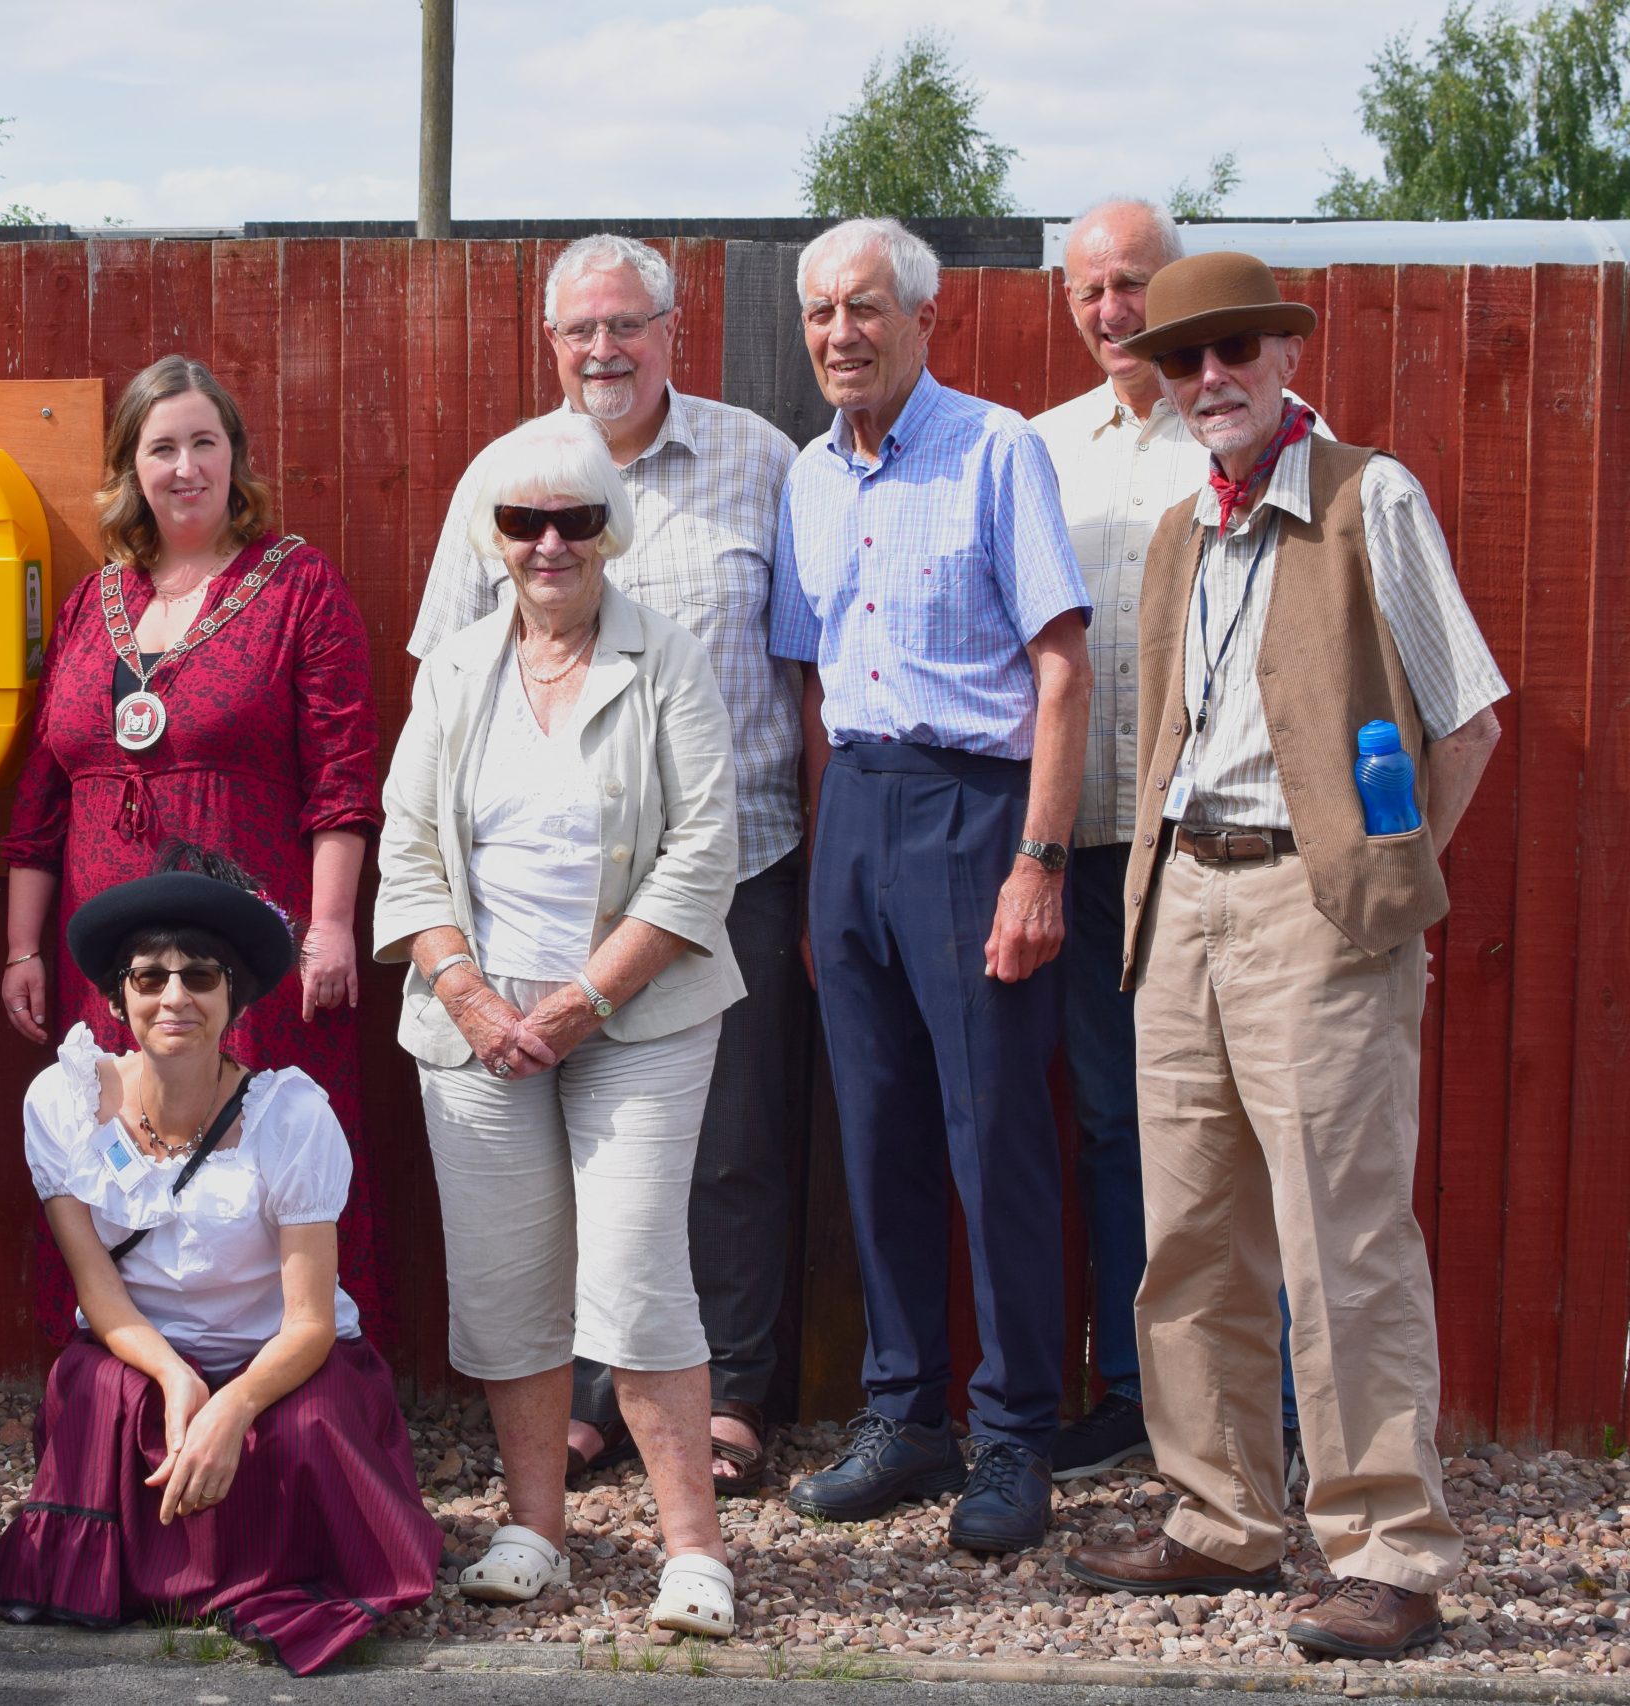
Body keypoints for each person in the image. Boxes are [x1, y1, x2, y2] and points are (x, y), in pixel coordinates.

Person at [1063, 251, 1507, 1661]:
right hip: (1179, 901)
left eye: (1236, 349)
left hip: (1316, 915)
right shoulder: (1181, 532)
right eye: (1188, 358)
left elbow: (1472, 720)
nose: (1212, 378)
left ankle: (1391, 1553)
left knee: (1343, 1241)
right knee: (1188, 1234)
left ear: (1282, 355)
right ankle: (1219, 1516)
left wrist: (1374, 887)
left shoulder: (1371, 499)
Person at [410, 233, 809, 1488]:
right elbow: (443, 673)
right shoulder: (506, 474)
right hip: (534, 896)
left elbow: (807, 663)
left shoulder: (760, 458)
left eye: (627, 325)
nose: (604, 349)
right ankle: (586, 1397)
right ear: (551, 342)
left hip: (730, 859)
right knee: (562, 1164)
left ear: (671, 329)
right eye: (581, 330)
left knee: (731, 1146)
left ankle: (735, 1393)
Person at [377, 414, 744, 1638]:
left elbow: (703, 854)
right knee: (503, 1283)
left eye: (573, 520)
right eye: (523, 522)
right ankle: (536, 1525)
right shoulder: (456, 668)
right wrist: (474, 999)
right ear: (493, 538)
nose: (547, 543)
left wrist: (587, 997)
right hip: (475, 1025)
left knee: (637, 1274)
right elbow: (411, 849)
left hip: (633, 1019)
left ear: (608, 531)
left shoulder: (669, 657)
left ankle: (692, 1549)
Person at [768, 217, 1092, 1554]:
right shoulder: (806, 477)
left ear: (923, 318)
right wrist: (818, 868)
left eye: (864, 310)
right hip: (858, 809)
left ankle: (1015, 1435)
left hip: (975, 815)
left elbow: (1064, 670)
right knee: (877, 1134)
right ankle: (904, 1417)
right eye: (820, 313)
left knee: (994, 1135)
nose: (841, 333)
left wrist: (1038, 858)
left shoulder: (997, 450)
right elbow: (809, 680)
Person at [0, 844, 439, 1676]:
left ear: (235, 997)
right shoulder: (64, 1102)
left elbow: (306, 1323)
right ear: (120, 997)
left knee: (303, 1427)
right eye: (150, 978)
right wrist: (181, 1382)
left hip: (283, 1360)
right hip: (144, 1351)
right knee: (92, 1389)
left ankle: (237, 1564)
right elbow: (102, 1298)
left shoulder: (292, 1118)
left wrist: (231, 1410)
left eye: (200, 976)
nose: (174, 997)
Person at [0, 355, 386, 1339]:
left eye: (202, 443)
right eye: (160, 447)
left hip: (246, 955)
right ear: (131, 467)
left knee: (252, 1153)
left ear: (235, 458)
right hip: (108, 958)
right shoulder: (95, 602)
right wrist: (22, 945)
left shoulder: (300, 586)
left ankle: (284, 1384)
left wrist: (330, 927)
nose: (183, 467)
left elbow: (344, 773)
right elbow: (41, 789)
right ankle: (122, 1374)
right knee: (114, 1150)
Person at [1030, 201, 1321, 1482]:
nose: (1114, 312)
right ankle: (1143, 1394)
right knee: (1116, 1123)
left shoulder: (1243, 436)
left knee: (1269, 1127)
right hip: (1094, 849)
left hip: (1228, 846)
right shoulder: (1035, 451)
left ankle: (1291, 1410)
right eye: (1091, 289)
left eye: (1134, 285)